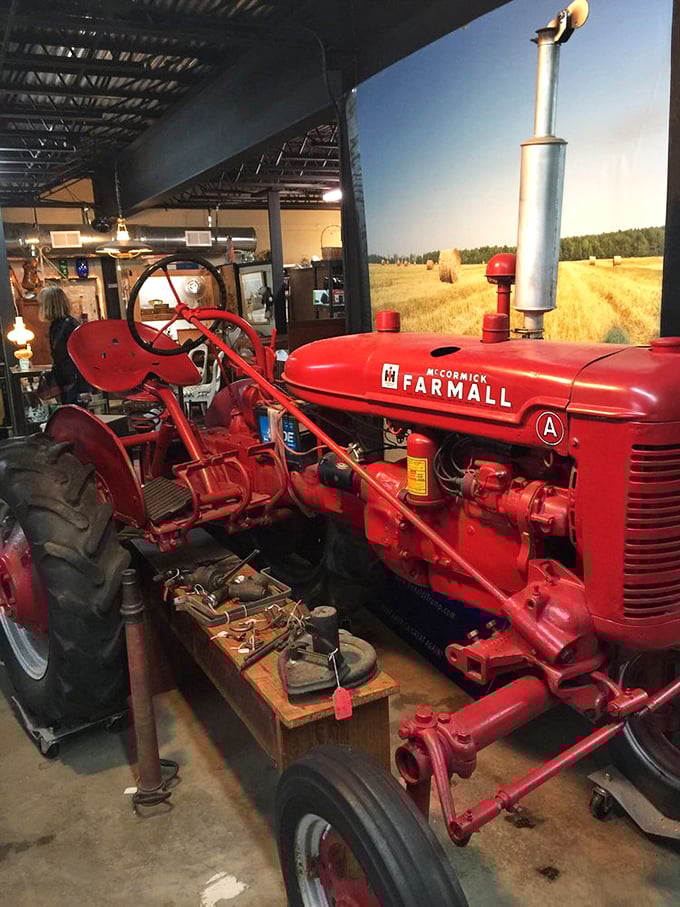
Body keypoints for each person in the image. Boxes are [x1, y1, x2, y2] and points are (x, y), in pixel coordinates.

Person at [38, 285, 89, 405]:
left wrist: (83, 389)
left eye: (41, 304)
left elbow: (81, 357)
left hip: (73, 382)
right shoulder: (58, 325)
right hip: (66, 381)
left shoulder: (68, 326)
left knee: (74, 419)